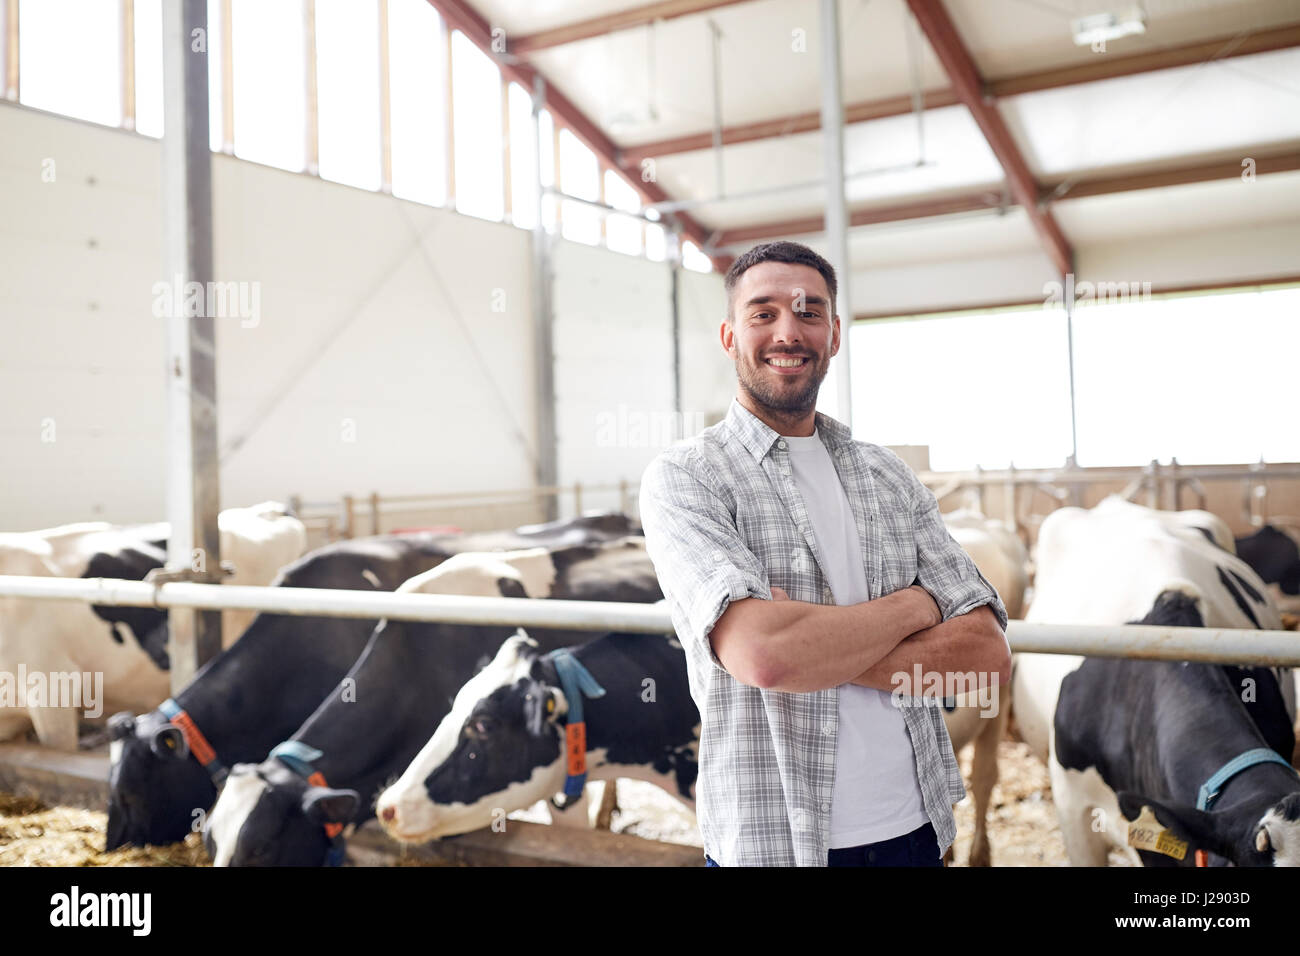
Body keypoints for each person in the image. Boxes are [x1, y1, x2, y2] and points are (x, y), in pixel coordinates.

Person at [638, 240, 1012, 867]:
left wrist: (810, 643)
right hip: (770, 842)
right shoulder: (688, 478)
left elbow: (985, 659)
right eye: (764, 313)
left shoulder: (888, 476)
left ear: (834, 334)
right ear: (730, 336)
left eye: (809, 313)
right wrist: (916, 605)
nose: (789, 331)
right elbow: (765, 656)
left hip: (917, 831)